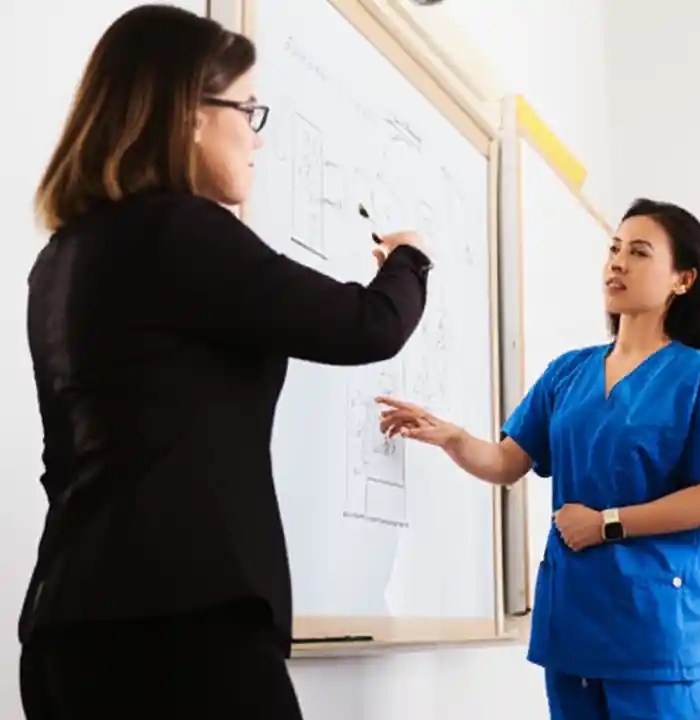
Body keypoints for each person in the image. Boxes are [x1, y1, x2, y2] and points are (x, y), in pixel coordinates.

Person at [18, 6, 431, 719]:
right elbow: (367, 325)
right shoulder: (183, 232)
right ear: (189, 113)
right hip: (183, 630)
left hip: (66, 631)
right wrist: (410, 260)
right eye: (247, 109)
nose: (256, 138)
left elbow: (63, 462)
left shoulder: (58, 262)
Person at [377, 198, 700, 720]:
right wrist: (451, 437)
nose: (617, 263)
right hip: (573, 624)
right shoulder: (568, 373)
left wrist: (607, 525)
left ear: (682, 280)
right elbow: (508, 462)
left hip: (651, 629)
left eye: (639, 253)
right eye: (614, 249)